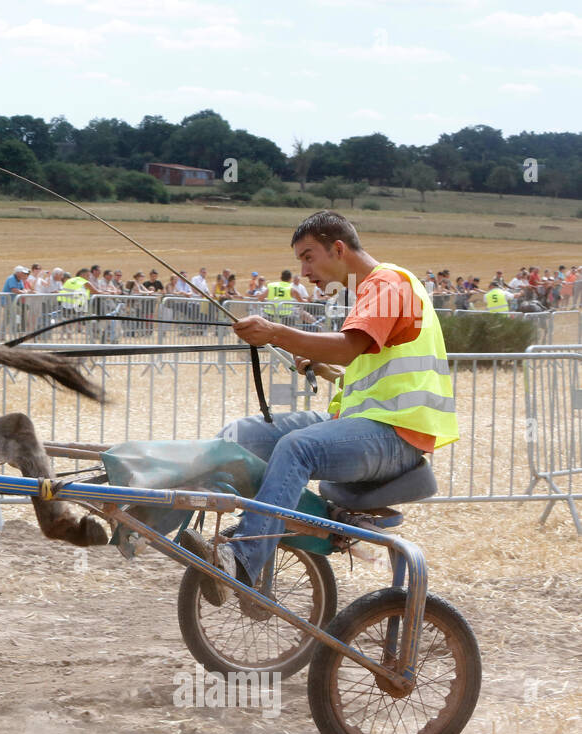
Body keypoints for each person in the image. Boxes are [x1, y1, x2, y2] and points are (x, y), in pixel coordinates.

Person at [180, 211, 458, 610]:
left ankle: (243, 559)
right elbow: (366, 369)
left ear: (339, 249)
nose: (305, 271)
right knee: (240, 435)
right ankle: (255, 526)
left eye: (309, 257)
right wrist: (331, 370)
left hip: (398, 436)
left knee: (297, 448)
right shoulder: (368, 293)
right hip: (366, 425)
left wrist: (275, 332)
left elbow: (348, 346)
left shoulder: (389, 283)